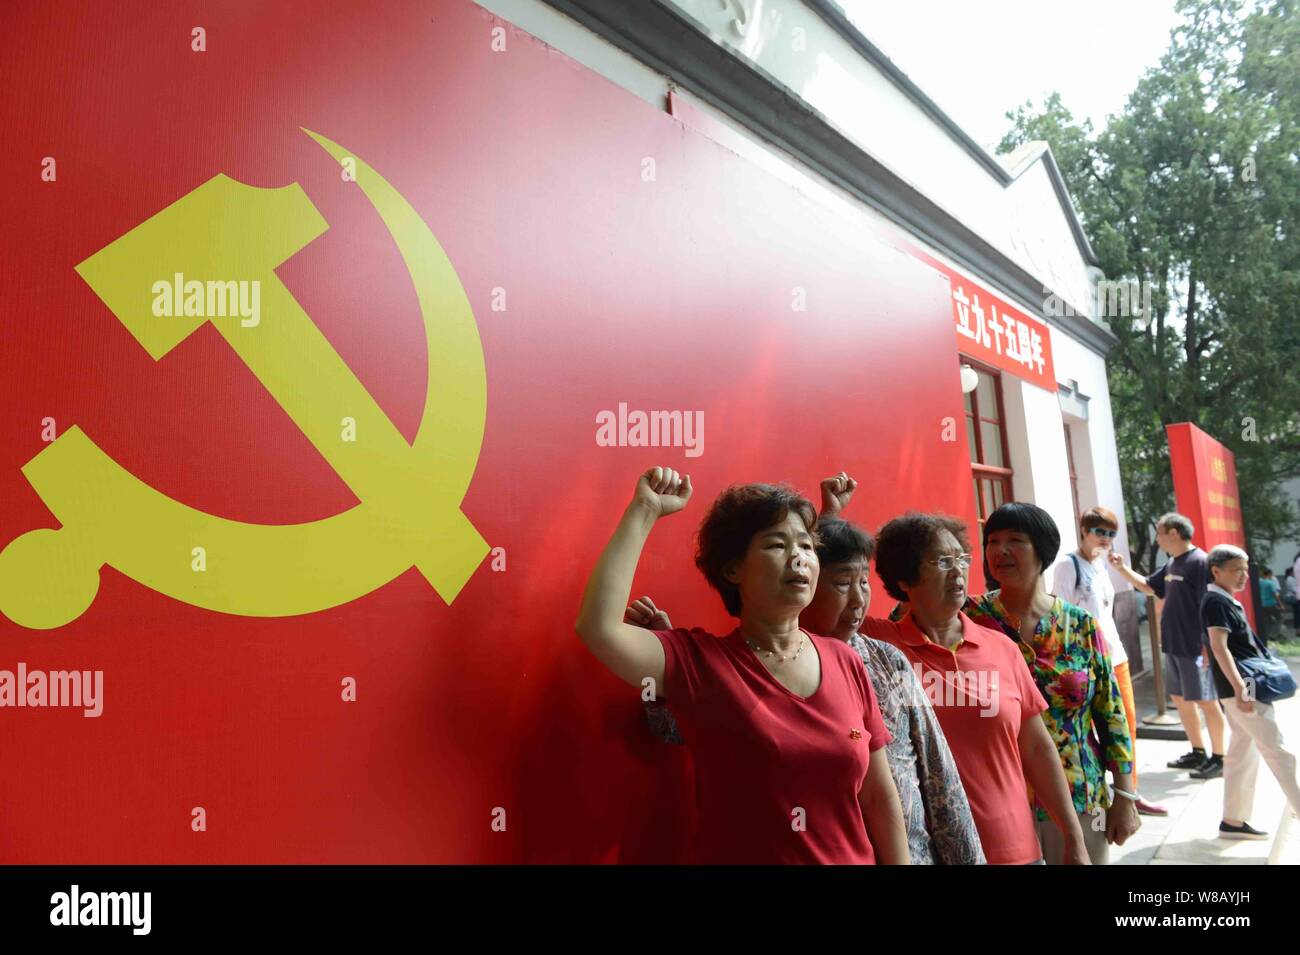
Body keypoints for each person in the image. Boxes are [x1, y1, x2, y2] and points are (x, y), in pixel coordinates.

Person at [575, 466, 909, 863]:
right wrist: (644, 510)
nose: (798, 558)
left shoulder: (846, 659)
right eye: (776, 545)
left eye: (805, 545)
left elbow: (879, 795)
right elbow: (598, 628)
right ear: (733, 569)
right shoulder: (699, 663)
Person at [627, 498, 985, 864]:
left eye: (864, 582)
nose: (858, 599)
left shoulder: (885, 660)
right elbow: (682, 727)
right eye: (843, 582)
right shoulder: (736, 661)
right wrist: (664, 664)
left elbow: (936, 772)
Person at [854, 508, 1090, 864]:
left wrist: (1074, 837)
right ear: (905, 579)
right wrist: (830, 516)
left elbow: (1039, 750)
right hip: (926, 853)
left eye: (960, 558)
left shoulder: (1001, 649)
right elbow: (819, 603)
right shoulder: (878, 646)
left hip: (1013, 849)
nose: (958, 571)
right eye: (940, 561)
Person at [962, 502, 1140, 864]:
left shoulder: (1081, 626)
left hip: (1079, 795)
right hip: (992, 799)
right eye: (992, 541)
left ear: (1042, 550)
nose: (1000, 551)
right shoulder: (967, 618)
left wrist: (1125, 796)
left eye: (1015, 540)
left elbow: (1112, 715)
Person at [1049, 506, 1167, 817]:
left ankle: (1130, 793)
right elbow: (1058, 615)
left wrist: (1119, 566)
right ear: (1084, 531)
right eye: (1099, 531)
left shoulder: (1102, 565)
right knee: (1088, 731)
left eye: (1111, 533)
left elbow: (1115, 607)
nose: (1105, 538)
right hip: (1084, 662)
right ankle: (1095, 794)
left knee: (1126, 726)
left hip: (1115, 656)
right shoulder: (1067, 566)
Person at [1110, 513, 1226, 779]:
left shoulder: (1200, 562)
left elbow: (1211, 604)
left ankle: (1219, 758)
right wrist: (1120, 567)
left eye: (1160, 533)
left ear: (1173, 533)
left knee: (1206, 700)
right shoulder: (1174, 563)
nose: (1157, 539)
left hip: (1195, 646)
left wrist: (1208, 644)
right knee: (1181, 698)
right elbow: (1148, 587)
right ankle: (1197, 751)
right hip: (1174, 643)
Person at [1201, 544, 1300, 839]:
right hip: (1244, 685)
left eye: (1245, 569)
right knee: (1276, 748)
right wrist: (1241, 688)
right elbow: (1219, 648)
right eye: (1236, 570)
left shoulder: (1225, 600)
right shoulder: (1216, 602)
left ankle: (1233, 821)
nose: (1244, 575)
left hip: (1241, 684)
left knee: (1242, 752)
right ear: (1216, 571)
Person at [1258, 567, 1281, 642]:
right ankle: (1273, 635)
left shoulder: (1259, 582)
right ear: (1269, 574)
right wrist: (1280, 604)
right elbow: (1275, 595)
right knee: (1279, 618)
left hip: (1262, 604)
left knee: (1267, 620)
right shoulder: (1270, 583)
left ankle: (1266, 635)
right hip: (1271, 603)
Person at [1284, 568, 1300, 638]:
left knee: (1296, 614)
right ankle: (1298, 631)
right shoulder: (1290, 579)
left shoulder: (1289, 578)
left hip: (1295, 598)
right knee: (1297, 615)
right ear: (1291, 572)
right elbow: (1294, 589)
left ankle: (1298, 631)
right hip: (1295, 598)